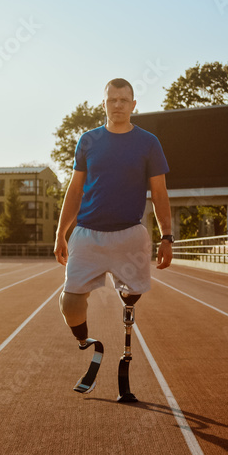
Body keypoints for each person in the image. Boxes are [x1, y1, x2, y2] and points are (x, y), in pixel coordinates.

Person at [53, 78, 173, 391]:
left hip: (129, 234)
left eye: (123, 100)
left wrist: (167, 236)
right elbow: (75, 189)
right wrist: (60, 232)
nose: (117, 105)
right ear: (104, 104)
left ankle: (126, 291)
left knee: (134, 292)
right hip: (87, 234)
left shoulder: (148, 142)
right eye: (111, 100)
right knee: (69, 303)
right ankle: (87, 344)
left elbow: (159, 194)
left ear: (134, 105)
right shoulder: (88, 141)